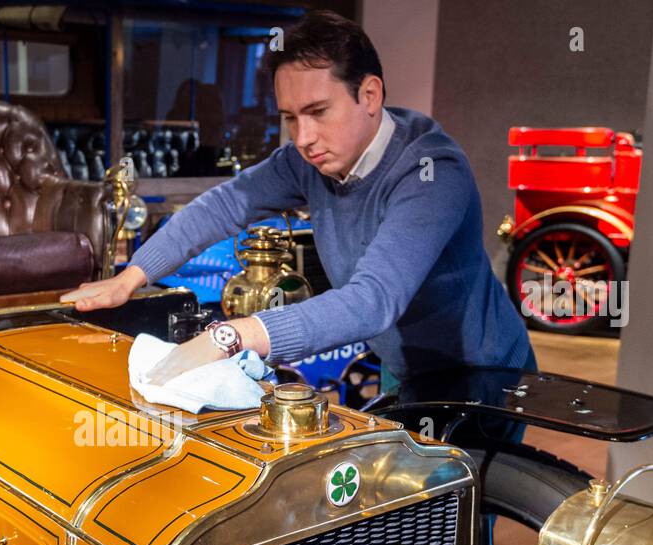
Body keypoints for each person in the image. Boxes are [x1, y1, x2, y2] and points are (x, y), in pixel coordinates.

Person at [60, 10, 535, 400]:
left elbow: (372, 301)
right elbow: (221, 207)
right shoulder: (306, 161)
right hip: (405, 365)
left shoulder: (432, 171)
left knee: (461, 510)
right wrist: (130, 276)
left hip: (483, 370)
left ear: (369, 94)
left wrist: (231, 335)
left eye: (318, 112)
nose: (304, 139)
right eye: (290, 118)